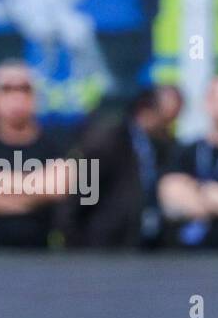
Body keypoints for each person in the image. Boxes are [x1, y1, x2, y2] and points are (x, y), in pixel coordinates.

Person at [0, 60, 73, 249]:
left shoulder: (54, 145)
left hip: (42, 258)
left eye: (24, 89)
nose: (16, 97)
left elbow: (57, 187)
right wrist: (35, 188)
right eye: (7, 89)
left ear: (35, 97)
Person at [62, 88, 166, 249]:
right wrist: (77, 242)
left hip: (137, 241)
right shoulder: (107, 143)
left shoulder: (153, 144)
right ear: (146, 111)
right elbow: (82, 197)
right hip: (104, 244)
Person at [158, 74, 218, 250]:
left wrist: (200, 189)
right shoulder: (185, 151)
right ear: (207, 102)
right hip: (186, 259)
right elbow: (170, 200)